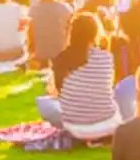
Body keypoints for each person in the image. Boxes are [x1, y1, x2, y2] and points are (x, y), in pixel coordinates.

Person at [37, 13, 125, 141]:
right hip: (109, 124)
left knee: (44, 103)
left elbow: (59, 91)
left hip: (75, 128)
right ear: (96, 33)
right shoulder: (107, 57)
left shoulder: (62, 58)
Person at [28, 0, 73, 66]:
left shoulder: (33, 9)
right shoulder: (65, 8)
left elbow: (30, 31)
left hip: (40, 51)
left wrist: (33, 47)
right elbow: (70, 28)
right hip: (60, 51)